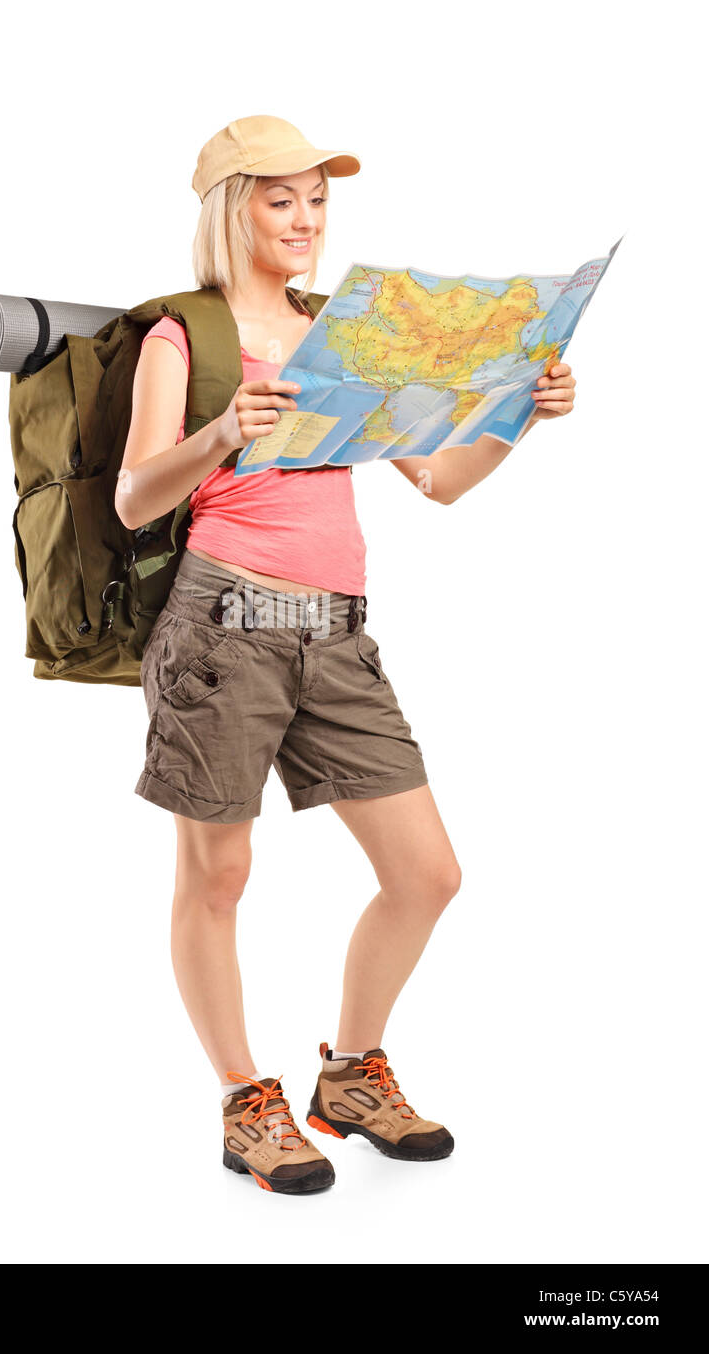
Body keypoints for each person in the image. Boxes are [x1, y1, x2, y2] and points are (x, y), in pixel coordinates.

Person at [115, 115, 576, 1196]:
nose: (306, 221)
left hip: (337, 634)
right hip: (222, 630)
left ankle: (351, 1077)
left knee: (427, 874)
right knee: (218, 876)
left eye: (317, 201)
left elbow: (439, 481)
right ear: (231, 210)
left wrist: (520, 416)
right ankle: (246, 1100)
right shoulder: (182, 339)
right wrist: (221, 433)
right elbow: (134, 497)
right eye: (281, 200)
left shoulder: (340, 331)